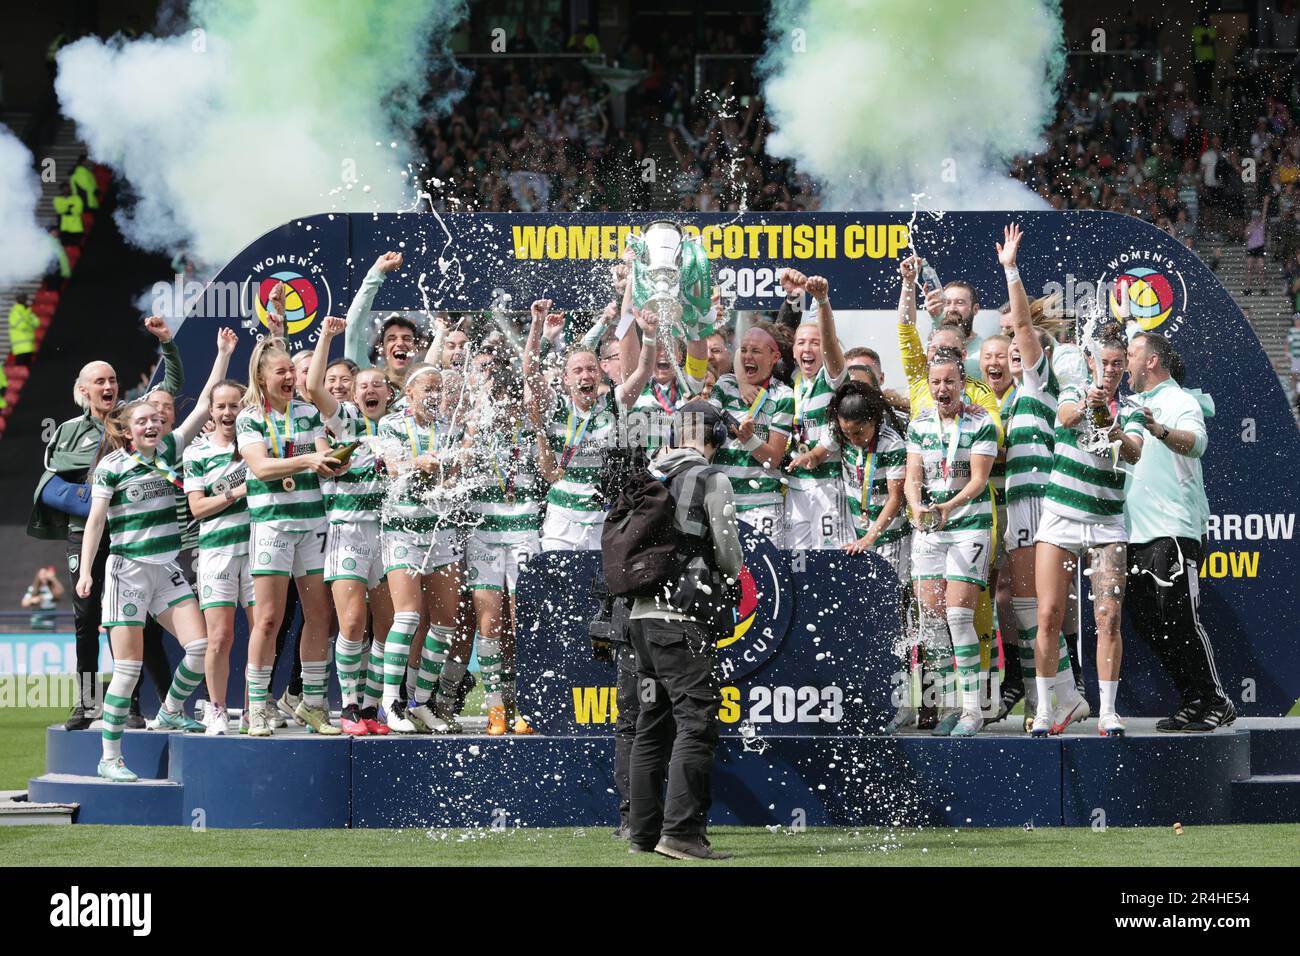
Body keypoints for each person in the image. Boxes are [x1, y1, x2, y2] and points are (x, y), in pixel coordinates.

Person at [29, 316, 183, 730]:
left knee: (132, 622)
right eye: (99, 381)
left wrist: (166, 345)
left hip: (128, 538)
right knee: (85, 619)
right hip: (84, 537)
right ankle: (86, 703)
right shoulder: (66, 432)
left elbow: (170, 386)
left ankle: (131, 705)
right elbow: (55, 479)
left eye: (112, 379)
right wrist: (90, 488)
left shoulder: (128, 423)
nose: (108, 386)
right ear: (83, 390)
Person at [75, 385, 218, 781]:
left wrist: (223, 355)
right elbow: (96, 522)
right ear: (128, 432)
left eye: (156, 419)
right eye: (143, 421)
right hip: (128, 571)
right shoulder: (112, 468)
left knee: (200, 646)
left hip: (166, 567)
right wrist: (87, 571)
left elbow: (203, 405)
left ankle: (170, 710)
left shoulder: (170, 452)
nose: (153, 424)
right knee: (127, 669)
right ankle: (110, 758)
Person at [627, 401, 742, 860]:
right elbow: (729, 553)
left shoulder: (648, 476)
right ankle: (681, 834)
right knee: (696, 724)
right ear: (716, 436)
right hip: (683, 621)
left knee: (650, 727)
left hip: (639, 618)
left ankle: (641, 836)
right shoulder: (712, 478)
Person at [1034, 327, 1144, 737]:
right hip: (1060, 515)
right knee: (1048, 615)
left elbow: (1133, 451)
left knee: (1108, 618)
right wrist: (1087, 404)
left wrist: (1111, 425)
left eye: (1118, 363)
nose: (1111, 370)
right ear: (1091, 361)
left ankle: (1109, 711)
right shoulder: (1072, 390)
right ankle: (1045, 709)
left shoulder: (1130, 408)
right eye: (1105, 362)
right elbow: (1064, 418)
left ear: (1126, 366)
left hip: (1106, 523)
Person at [1123, 332, 1234, 732]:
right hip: (1135, 532)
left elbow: (1198, 444)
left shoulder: (1179, 401)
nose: (1125, 361)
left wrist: (1161, 431)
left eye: (1132, 354)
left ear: (1152, 361)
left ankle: (1216, 700)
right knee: (1147, 623)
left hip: (1173, 529)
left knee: (1180, 620)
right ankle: (1192, 697)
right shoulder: (1131, 406)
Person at [236, 337, 343, 737]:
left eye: (290, 371)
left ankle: (312, 705)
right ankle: (256, 708)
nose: (288, 377)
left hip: (311, 522)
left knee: (320, 616)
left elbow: (323, 456)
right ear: (262, 378)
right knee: (267, 619)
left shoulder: (307, 411)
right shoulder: (250, 417)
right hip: (272, 526)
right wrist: (308, 460)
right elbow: (261, 468)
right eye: (280, 371)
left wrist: (340, 459)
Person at [904, 348, 998, 737]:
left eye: (950, 381)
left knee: (959, 616)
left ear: (963, 383)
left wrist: (947, 506)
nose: (943, 389)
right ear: (929, 385)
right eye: (936, 382)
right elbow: (912, 478)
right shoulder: (919, 423)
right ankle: (947, 706)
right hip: (931, 527)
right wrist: (915, 506)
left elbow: (978, 480)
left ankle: (973, 711)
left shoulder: (981, 422)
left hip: (968, 523)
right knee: (932, 620)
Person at [307, 316, 394, 736]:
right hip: (349, 531)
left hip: (389, 535)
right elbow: (313, 389)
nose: (370, 390)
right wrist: (326, 336)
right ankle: (349, 706)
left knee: (388, 625)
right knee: (353, 624)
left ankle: (374, 706)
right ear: (354, 395)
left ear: (388, 393)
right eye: (364, 386)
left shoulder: (400, 429)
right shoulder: (346, 423)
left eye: (378, 385)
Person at [375, 363, 466, 733]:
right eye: (427, 388)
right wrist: (419, 462)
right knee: (409, 616)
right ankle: (391, 703)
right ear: (408, 393)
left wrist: (456, 468)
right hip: (402, 529)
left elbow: (457, 475)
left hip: (441, 530)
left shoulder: (450, 430)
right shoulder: (390, 425)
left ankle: (422, 702)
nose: (434, 395)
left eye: (438, 389)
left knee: (444, 625)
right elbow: (395, 469)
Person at [464, 365, 541, 736]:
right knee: (490, 623)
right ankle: (496, 707)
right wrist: (475, 425)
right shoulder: (476, 435)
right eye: (499, 400)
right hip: (483, 535)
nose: (507, 407)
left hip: (524, 532)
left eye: (513, 400)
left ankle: (523, 704)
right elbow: (460, 464)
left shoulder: (532, 430)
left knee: (521, 621)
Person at [183, 378, 254, 736]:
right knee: (219, 637)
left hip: (259, 548)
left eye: (235, 405)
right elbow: (197, 508)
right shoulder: (196, 452)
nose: (228, 412)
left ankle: (256, 709)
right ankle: (217, 710)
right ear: (211, 411)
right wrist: (237, 492)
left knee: (263, 632)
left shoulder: (258, 442)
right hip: (217, 553)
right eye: (221, 406)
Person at [778, 270, 848, 550]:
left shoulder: (831, 377)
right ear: (793, 351)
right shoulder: (791, 381)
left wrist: (821, 302)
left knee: (829, 564)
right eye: (801, 343)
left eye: (814, 343)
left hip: (828, 485)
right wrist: (794, 298)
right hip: (795, 488)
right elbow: (778, 336)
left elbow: (830, 342)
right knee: (797, 564)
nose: (808, 348)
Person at [707, 324, 795, 545]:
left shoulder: (783, 395)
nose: (747, 356)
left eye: (756, 351)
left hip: (762, 504)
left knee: (763, 577)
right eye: (744, 350)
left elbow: (773, 459)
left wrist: (749, 439)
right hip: (722, 501)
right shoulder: (725, 385)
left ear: (774, 357)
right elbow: (707, 433)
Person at [8, 294, 39, 368]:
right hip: (21, 346)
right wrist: (30, 326)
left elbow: (36, 323)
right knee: (23, 369)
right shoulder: (17, 312)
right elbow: (24, 325)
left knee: (24, 369)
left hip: (26, 346)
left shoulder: (26, 311)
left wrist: (28, 325)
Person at [53, 181, 85, 246]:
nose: (66, 190)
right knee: (65, 245)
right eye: (64, 188)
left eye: (67, 188)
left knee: (76, 245)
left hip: (76, 227)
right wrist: (70, 207)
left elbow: (79, 209)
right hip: (64, 227)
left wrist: (67, 209)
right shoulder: (57, 199)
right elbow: (59, 210)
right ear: (61, 190)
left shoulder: (76, 198)